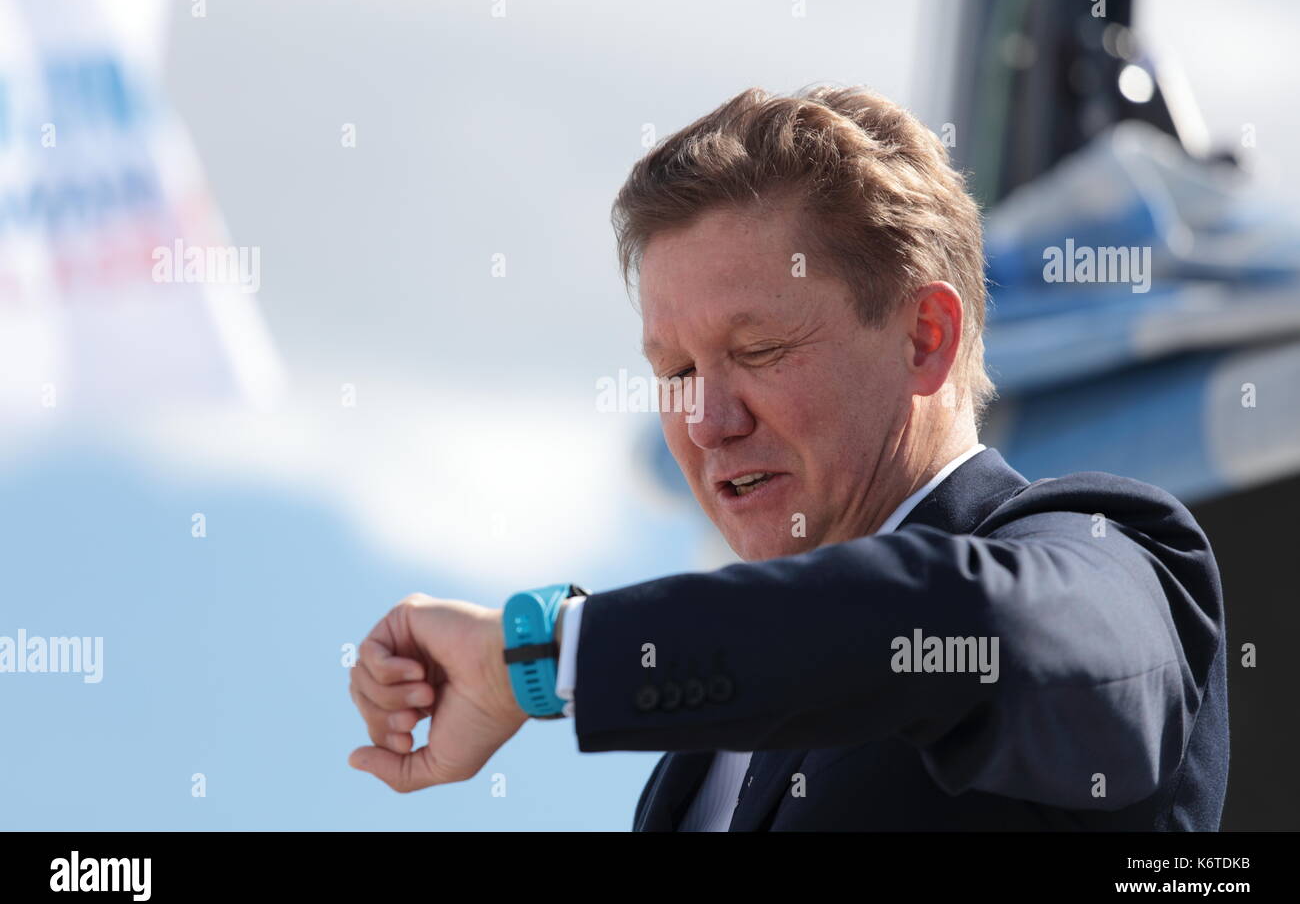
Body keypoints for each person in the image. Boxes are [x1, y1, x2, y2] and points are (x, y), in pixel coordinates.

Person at [346, 85, 1228, 831]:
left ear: (925, 337)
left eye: (760, 351)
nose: (708, 420)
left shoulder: (1120, 556)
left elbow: (976, 628)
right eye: (679, 371)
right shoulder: (697, 761)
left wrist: (550, 655)